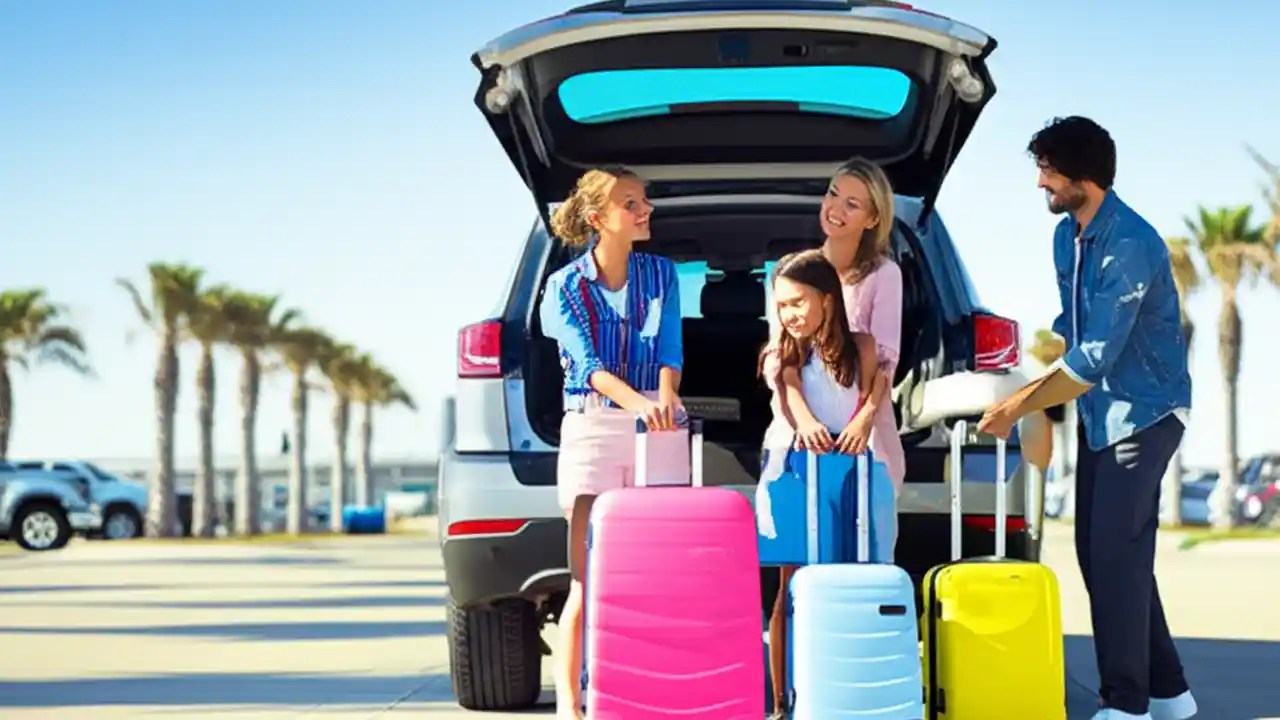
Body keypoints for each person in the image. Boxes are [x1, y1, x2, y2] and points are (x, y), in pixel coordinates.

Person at [977, 116, 1196, 720]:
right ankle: (1171, 693)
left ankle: (1126, 705)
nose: (1040, 183)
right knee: (1104, 554)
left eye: (1048, 170)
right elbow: (1072, 336)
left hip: (1147, 413)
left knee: (1114, 553)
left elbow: (1097, 354)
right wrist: (1042, 402)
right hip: (1103, 417)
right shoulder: (1067, 236)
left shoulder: (1130, 244)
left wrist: (1020, 405)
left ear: (1084, 176)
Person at [537, 166, 685, 719]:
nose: (645, 211)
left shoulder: (661, 273)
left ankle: (648, 695)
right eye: (631, 203)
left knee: (658, 579)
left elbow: (670, 347)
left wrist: (664, 400)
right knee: (587, 579)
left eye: (644, 201)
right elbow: (589, 365)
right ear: (599, 219)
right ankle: (572, 708)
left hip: (659, 428)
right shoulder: (565, 288)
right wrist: (641, 405)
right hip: (595, 427)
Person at [756, 249, 879, 720]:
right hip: (792, 470)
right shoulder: (783, 350)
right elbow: (789, 392)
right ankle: (782, 700)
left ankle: (840, 690)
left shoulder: (862, 346)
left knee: (847, 577)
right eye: (782, 305)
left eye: (798, 302)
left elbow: (875, 389)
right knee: (792, 584)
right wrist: (807, 424)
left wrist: (866, 415)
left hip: (844, 472)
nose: (789, 314)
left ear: (828, 299)